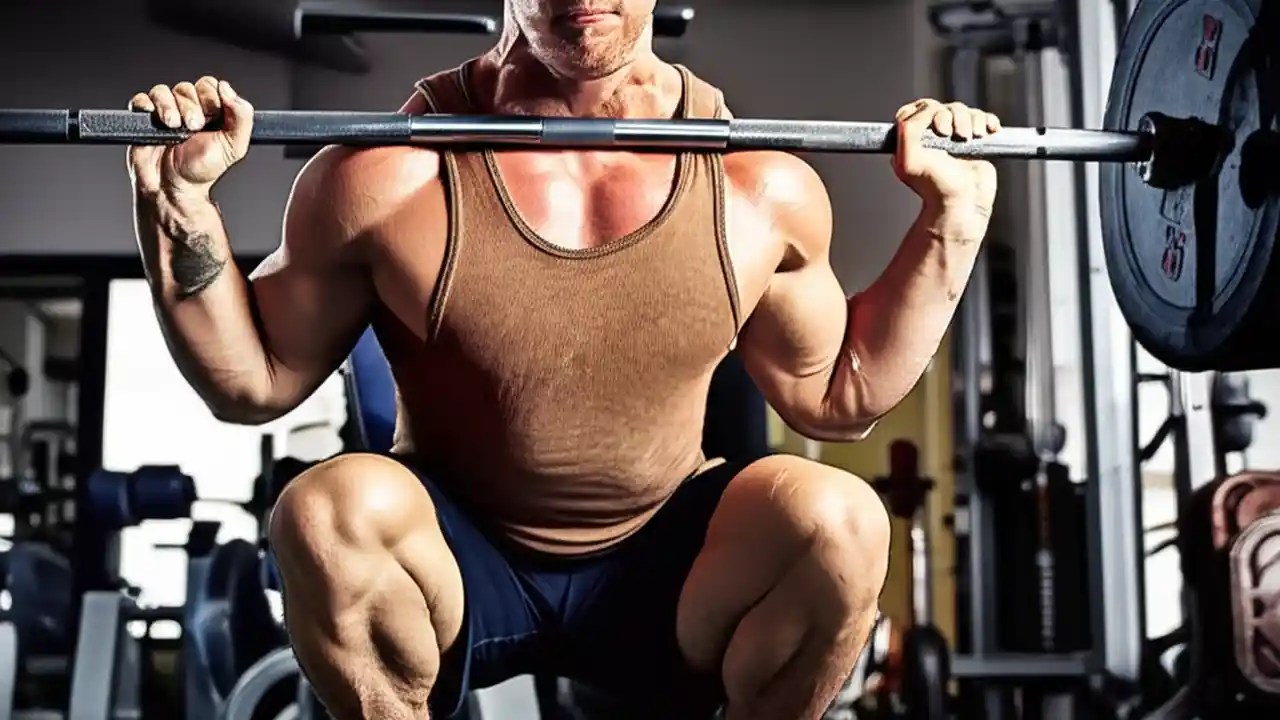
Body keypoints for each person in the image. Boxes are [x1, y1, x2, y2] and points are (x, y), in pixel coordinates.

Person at [125, 1, 1000, 718]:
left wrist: (950, 223)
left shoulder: (756, 187)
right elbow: (252, 380)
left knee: (841, 520)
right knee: (322, 511)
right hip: (460, 567)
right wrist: (177, 206)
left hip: (672, 570)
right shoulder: (388, 177)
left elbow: (836, 397)